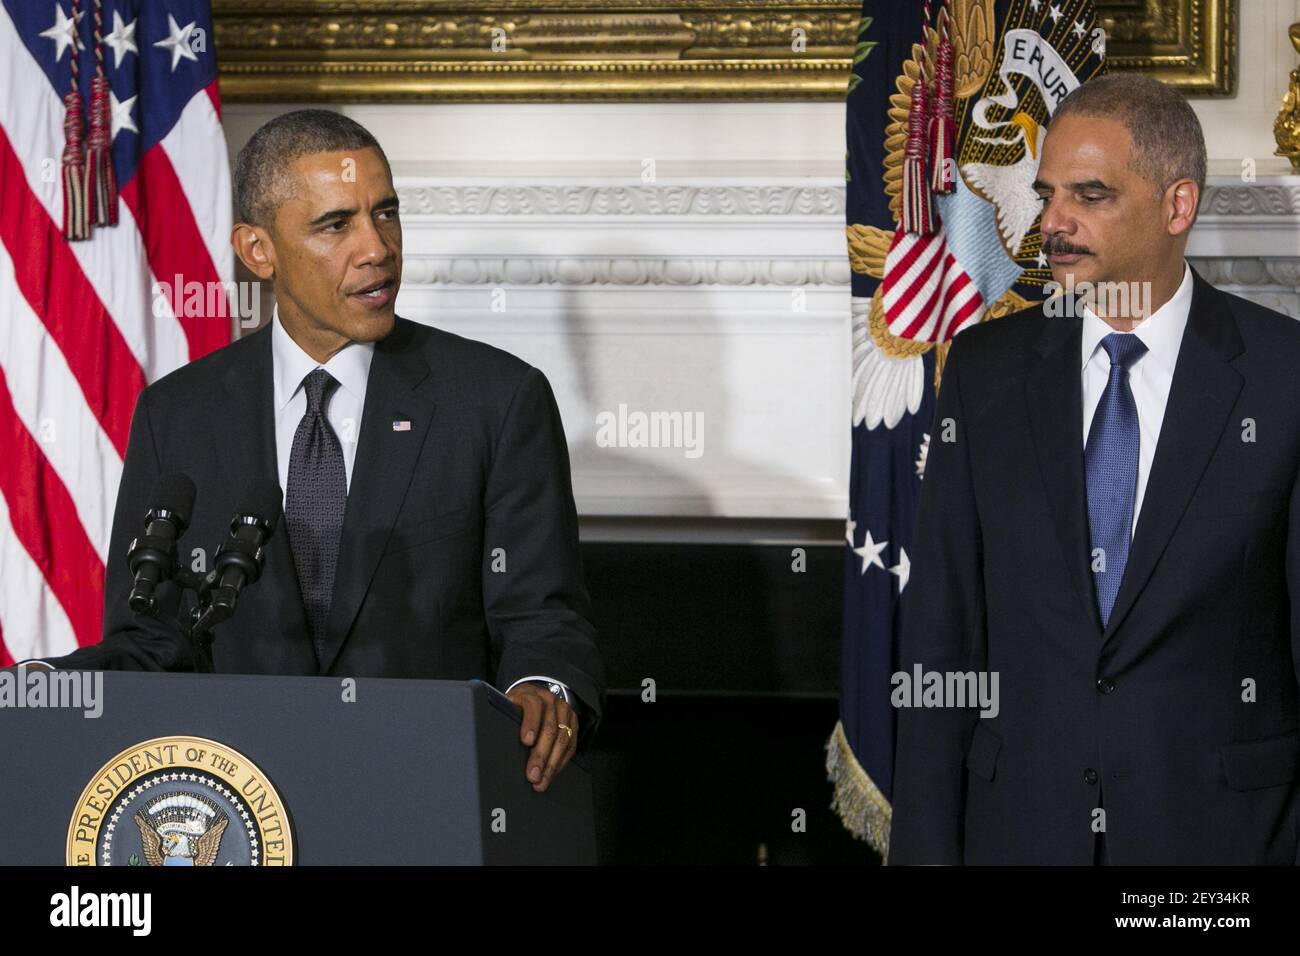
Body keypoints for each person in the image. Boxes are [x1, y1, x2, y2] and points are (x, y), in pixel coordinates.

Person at [23, 110, 604, 793]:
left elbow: (542, 613)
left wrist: (544, 687)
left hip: (426, 791)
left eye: (385, 214)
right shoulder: (177, 413)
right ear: (257, 249)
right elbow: (153, 642)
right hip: (243, 804)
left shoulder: (496, 400)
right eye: (336, 225)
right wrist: (45, 687)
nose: (377, 248)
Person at [888, 74, 1300, 864]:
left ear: (1177, 206)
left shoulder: (1284, 381)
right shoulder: (983, 374)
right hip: (1020, 836)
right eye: (1047, 196)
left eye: (1091, 195)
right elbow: (942, 647)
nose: (1054, 224)